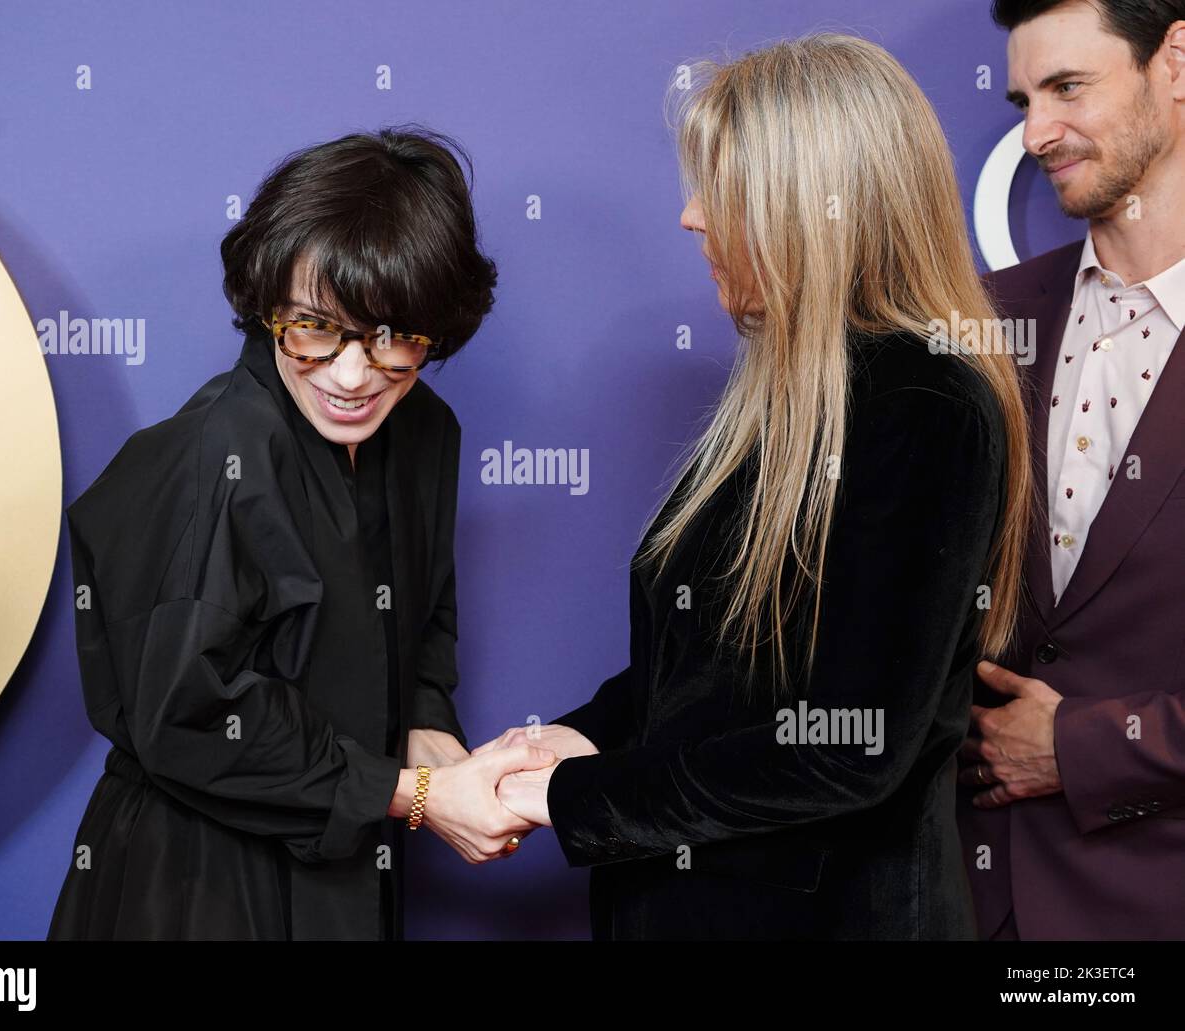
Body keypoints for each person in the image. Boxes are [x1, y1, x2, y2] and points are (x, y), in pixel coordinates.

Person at [481, 34, 1033, 940]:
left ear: (815, 209)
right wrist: (576, 738)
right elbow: (714, 676)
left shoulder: (924, 406)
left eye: (722, 188)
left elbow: (848, 741)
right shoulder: (785, 395)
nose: (692, 216)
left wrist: (567, 795)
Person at [48, 127, 554, 941]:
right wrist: (415, 797)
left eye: (392, 336)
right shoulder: (208, 455)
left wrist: (445, 758)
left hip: (354, 871)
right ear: (265, 306)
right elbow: (187, 716)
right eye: (315, 327)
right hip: (197, 885)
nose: (352, 376)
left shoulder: (426, 432)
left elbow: (420, 634)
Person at [956, 0, 1185, 941]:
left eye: (1067, 87)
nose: (1035, 133)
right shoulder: (984, 322)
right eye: (1023, 98)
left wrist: (1086, 747)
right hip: (983, 904)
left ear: (1175, 61)